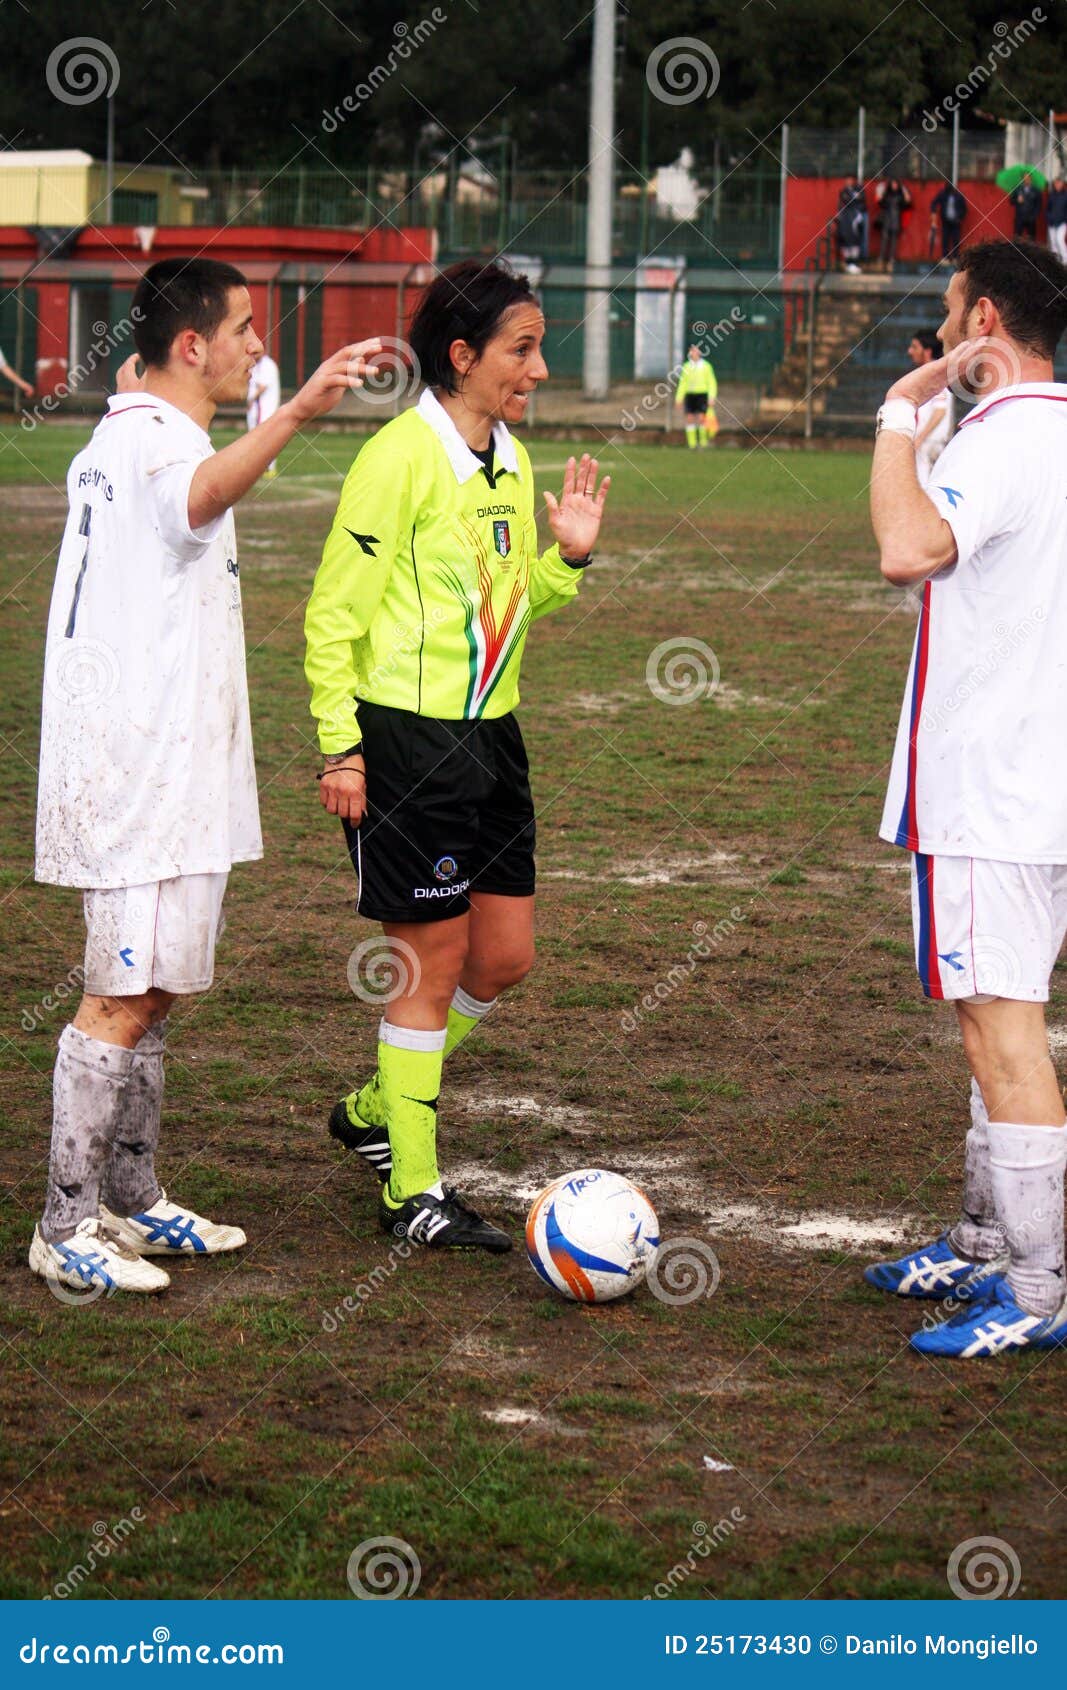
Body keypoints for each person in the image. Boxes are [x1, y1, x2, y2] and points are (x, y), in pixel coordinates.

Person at [31, 257, 380, 1296]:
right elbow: (199, 496)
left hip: (178, 764)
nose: (257, 346)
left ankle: (132, 1200)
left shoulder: (143, 428)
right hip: (135, 767)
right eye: (245, 329)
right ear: (193, 344)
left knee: (162, 987)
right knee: (119, 994)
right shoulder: (144, 440)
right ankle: (64, 1223)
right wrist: (305, 409)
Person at [304, 258, 610, 1256]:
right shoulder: (398, 456)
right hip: (405, 739)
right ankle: (413, 1189)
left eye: (538, 345)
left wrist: (566, 555)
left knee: (502, 955)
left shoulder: (510, 457)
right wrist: (340, 746)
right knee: (427, 962)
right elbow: (331, 613)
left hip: (492, 735)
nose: (538, 366)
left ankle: (370, 1109)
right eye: (522, 347)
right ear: (462, 353)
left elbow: (520, 605)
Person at [867, 238, 1067, 1357]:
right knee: (988, 1012)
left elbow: (907, 547)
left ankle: (1033, 1288)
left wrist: (899, 418)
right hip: (1032, 780)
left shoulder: (1002, 434)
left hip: (992, 787)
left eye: (949, 314)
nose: (937, 333)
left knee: (1001, 1022)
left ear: (982, 319)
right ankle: (986, 1241)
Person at [905, 328, 954, 486]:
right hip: (935, 440)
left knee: (922, 486)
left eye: (914, 347)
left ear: (927, 351)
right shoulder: (938, 373)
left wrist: (920, 438)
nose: (910, 351)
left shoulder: (933, 375)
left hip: (930, 441)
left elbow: (940, 410)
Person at [673, 344, 718, 448]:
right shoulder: (686, 366)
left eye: (696, 350)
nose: (694, 353)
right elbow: (682, 383)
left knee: (702, 418)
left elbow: (712, 382)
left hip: (702, 395)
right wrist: (679, 399)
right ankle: (692, 444)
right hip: (690, 395)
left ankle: (703, 443)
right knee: (689, 418)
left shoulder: (706, 366)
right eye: (692, 350)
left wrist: (711, 397)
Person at [247, 349, 281, 477]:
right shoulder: (255, 366)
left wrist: (251, 399)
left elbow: (262, 387)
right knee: (254, 440)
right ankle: (258, 467)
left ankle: (269, 468)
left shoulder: (268, 365)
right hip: (255, 410)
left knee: (266, 439)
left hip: (265, 409)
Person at [875, 175, 912, 272]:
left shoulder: (900, 195)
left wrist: (905, 193)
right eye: (893, 184)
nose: (894, 186)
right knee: (885, 238)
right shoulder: (887, 194)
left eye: (896, 184)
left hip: (896, 219)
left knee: (894, 240)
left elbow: (907, 204)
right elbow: (881, 203)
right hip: (886, 219)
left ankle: (891, 258)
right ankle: (882, 257)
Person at [929, 178, 967, 262]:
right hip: (945, 221)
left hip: (956, 221)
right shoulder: (943, 194)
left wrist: (960, 217)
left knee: (956, 239)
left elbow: (964, 208)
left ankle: (955, 257)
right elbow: (933, 203)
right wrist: (933, 211)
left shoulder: (958, 195)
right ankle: (945, 257)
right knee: (945, 239)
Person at [835, 176, 867, 275]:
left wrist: (856, 198)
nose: (849, 182)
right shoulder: (844, 191)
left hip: (855, 220)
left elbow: (861, 200)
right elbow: (848, 201)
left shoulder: (858, 190)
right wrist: (855, 198)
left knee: (856, 239)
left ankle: (854, 263)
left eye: (851, 180)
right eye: (847, 180)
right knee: (846, 240)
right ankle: (849, 263)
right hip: (846, 220)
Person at [1009, 172, 1042, 241]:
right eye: (1025, 178)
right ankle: (1017, 251)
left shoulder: (1036, 190)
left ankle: (1031, 252)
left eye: (1028, 178)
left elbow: (1038, 205)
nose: (1026, 179)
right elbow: (1011, 201)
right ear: (1022, 179)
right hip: (1019, 218)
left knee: (1031, 239)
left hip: (1031, 218)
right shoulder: (1017, 189)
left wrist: (1034, 216)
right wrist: (1017, 200)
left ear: (1031, 179)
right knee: (1017, 239)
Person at [1046, 174, 1067, 264]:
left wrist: (1064, 219)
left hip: (1062, 222)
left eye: (1059, 183)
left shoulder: (1065, 195)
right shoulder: (1051, 195)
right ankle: (1056, 261)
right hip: (1051, 222)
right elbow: (1048, 208)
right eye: (1056, 183)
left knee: (1059, 240)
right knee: (1053, 242)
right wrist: (1048, 217)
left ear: (1062, 184)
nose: (1057, 185)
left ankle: (1065, 259)